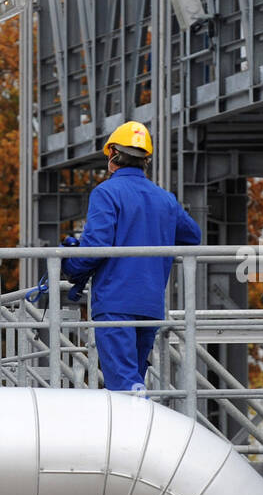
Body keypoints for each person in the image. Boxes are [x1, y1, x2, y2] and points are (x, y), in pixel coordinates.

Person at [61, 121, 201, 392]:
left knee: (124, 387)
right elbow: (192, 236)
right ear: (145, 160)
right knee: (133, 379)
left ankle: (137, 430)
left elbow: (96, 247)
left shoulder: (106, 192)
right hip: (149, 305)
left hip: (115, 304)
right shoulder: (165, 199)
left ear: (113, 155)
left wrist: (70, 266)